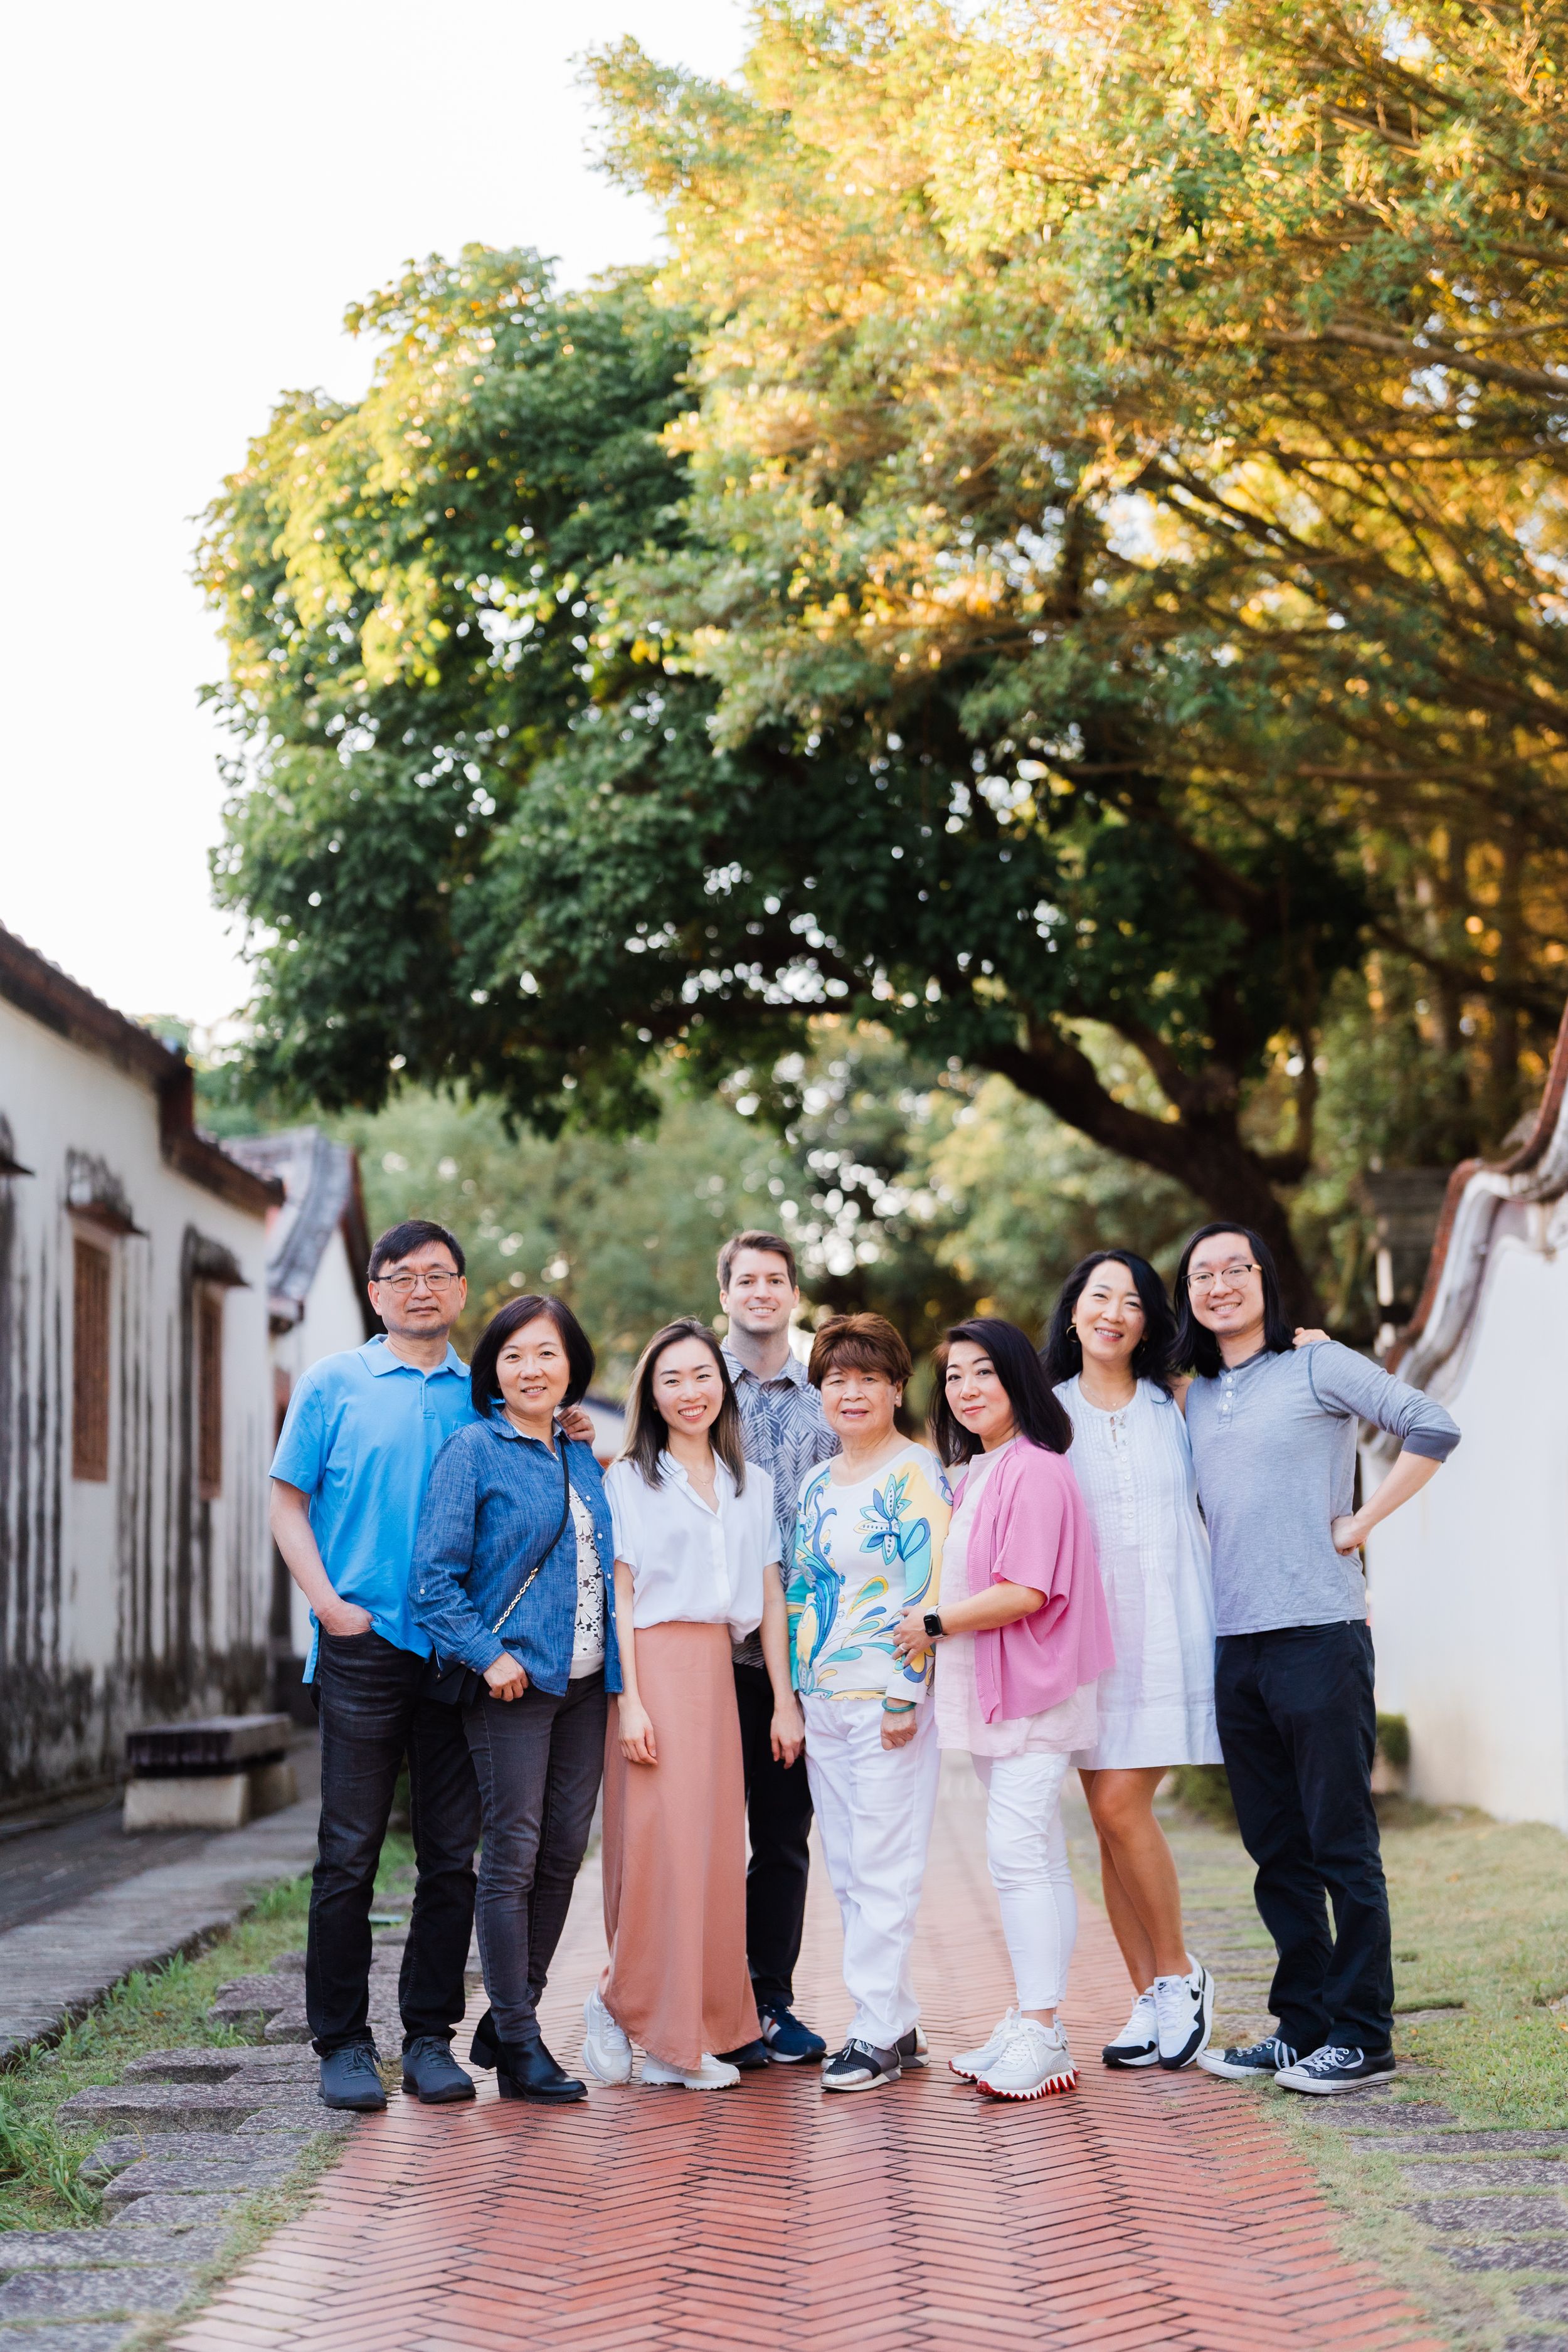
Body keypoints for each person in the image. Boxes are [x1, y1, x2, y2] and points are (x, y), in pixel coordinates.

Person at [1177, 1224, 1461, 2095]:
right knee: (1276, 1852)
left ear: (1265, 1278)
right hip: (1238, 1646)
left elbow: (1432, 1423)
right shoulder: (1191, 1393)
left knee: (1342, 1843)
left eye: (1236, 1268)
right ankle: (1302, 2026)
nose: (1220, 1283)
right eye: (1202, 1273)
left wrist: (1360, 1524)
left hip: (1319, 1635)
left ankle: (1364, 2034)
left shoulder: (1317, 1364)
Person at [269, 1219, 483, 2114]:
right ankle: (344, 2043)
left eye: (438, 1273)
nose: (421, 1289)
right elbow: (287, 1500)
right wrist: (327, 1604)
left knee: (451, 1856)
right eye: (402, 1276)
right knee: (348, 1852)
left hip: (458, 1651)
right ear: (376, 1292)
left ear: (462, 1290)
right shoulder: (333, 1383)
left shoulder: (488, 1393)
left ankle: (430, 2037)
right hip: (362, 1644)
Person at [895, 1317, 1113, 2102]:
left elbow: (1025, 1591)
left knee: (1015, 1855)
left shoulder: (1038, 1469)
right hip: (998, 1695)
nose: (966, 1388)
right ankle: (1035, 2024)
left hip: (1034, 1691)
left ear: (1017, 1379)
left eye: (983, 1372)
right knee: (1040, 1855)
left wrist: (931, 1626)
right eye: (953, 1376)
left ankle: (1042, 2026)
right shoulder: (979, 1469)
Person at [410, 1295, 618, 2105]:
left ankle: (508, 2016)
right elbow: (432, 1579)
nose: (531, 1369)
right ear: (493, 1369)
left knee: (566, 1849)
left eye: (547, 1354)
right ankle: (524, 2043)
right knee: (514, 1852)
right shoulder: (474, 1449)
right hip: (514, 1683)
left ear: (572, 1365)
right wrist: (488, 1654)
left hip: (586, 1683)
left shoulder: (580, 1452)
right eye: (514, 1356)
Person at [585, 1320, 803, 2091]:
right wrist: (632, 1702)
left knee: (712, 1855)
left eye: (702, 1376)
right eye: (671, 1379)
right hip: (654, 1669)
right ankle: (640, 2015)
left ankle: (696, 2025)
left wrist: (783, 1702)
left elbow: (770, 1598)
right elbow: (621, 1595)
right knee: (657, 1852)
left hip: (717, 1668)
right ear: (651, 1390)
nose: (689, 1392)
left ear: (723, 1384)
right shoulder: (629, 1480)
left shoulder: (753, 1483)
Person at [1042, 1251, 1223, 2072]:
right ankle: (1148, 1994)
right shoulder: (1043, 1416)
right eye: (1098, 1295)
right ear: (1073, 1311)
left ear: (1150, 1319)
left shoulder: (1184, 1403)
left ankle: (1182, 1971)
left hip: (1168, 1629)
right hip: (1084, 1640)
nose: (1113, 1310)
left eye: (1132, 1300)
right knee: (1107, 1828)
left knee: (1121, 1807)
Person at [790, 1313, 951, 2094]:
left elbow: (927, 1590)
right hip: (822, 1700)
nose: (850, 1392)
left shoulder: (917, 1472)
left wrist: (903, 1694)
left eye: (867, 1378)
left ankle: (873, 2032)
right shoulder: (819, 1480)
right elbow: (798, 1591)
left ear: (895, 1388)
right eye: (835, 1379)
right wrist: (793, 1697)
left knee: (885, 1865)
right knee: (851, 1866)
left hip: (885, 1700)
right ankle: (895, 2014)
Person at [718, 1230, 835, 2065]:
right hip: (707, 1653)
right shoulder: (691, 1380)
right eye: (746, 1278)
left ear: (792, 1292)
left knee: (784, 1836)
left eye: (776, 1279)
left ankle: (771, 1998)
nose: (761, 1290)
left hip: (799, 1653)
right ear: (725, 1291)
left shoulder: (827, 1391)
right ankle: (707, 1998)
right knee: (703, 1835)